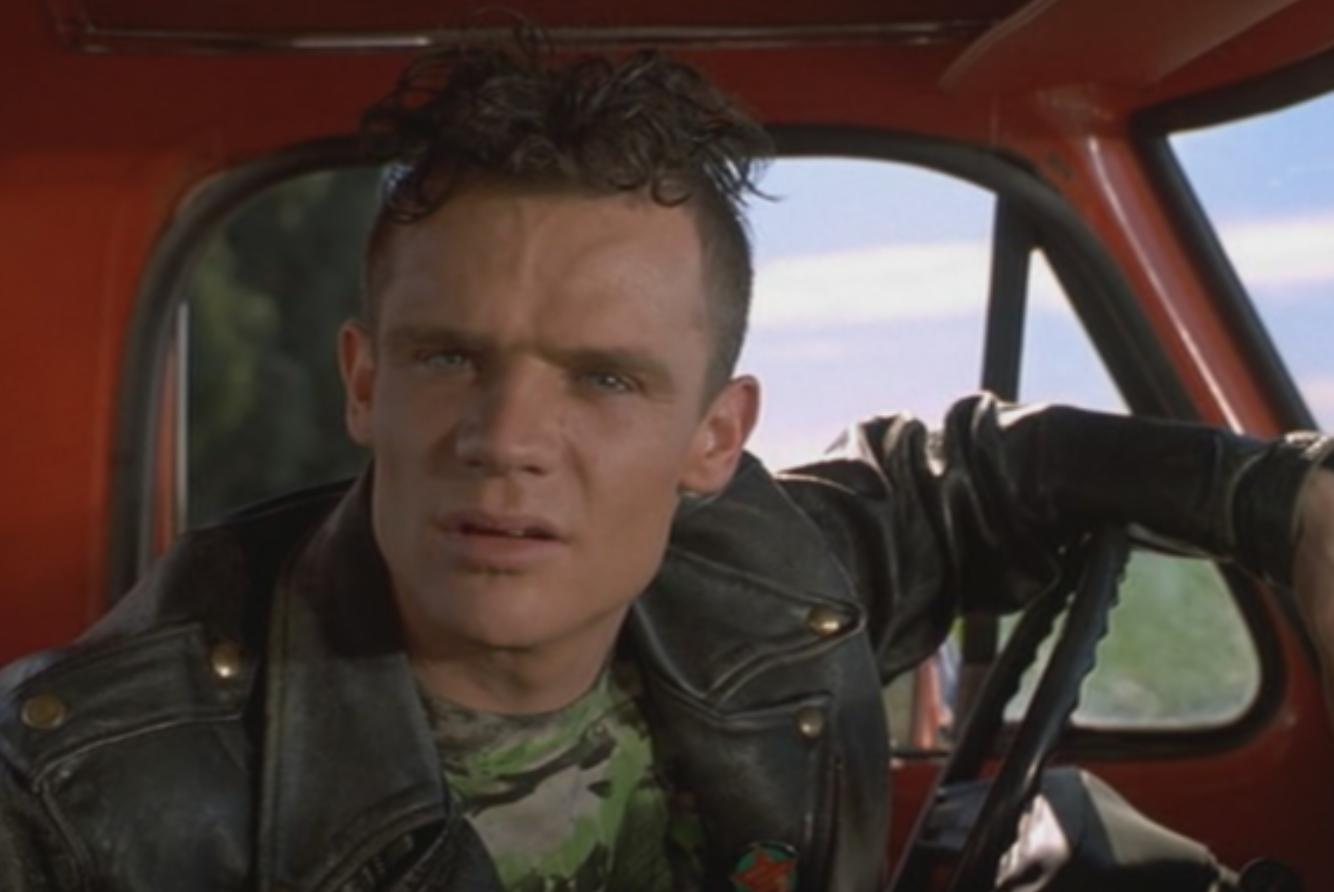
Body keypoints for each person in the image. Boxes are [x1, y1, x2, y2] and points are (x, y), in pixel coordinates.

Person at [2, 39, 1334, 892]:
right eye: (450, 358)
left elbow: (988, 473)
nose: (507, 440)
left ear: (716, 437)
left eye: (604, 378)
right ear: (365, 383)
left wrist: (1286, 501)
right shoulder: (81, 796)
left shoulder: (774, 575)